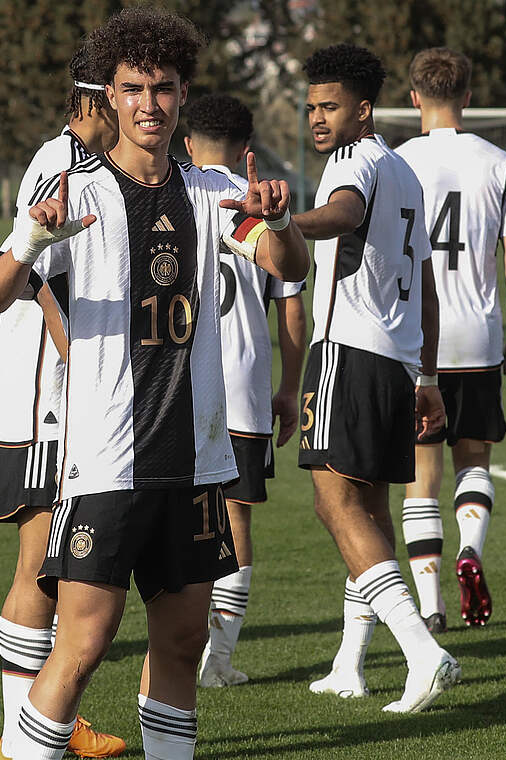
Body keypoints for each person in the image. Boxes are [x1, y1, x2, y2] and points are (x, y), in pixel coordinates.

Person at [0, 9, 308, 760]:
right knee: (85, 642)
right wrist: (32, 237)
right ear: (112, 96)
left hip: (196, 460)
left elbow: (291, 270)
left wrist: (277, 225)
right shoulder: (78, 192)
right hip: (106, 464)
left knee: (184, 642)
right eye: (133, 89)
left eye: (162, 88)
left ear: (184, 92)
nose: (149, 105)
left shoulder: (217, 192)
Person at [292, 43, 459, 714]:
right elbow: (425, 287)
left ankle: (423, 652)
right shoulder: (406, 171)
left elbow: (345, 213)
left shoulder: (353, 161)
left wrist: (274, 221)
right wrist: (427, 376)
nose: (317, 120)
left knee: (334, 506)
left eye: (329, 106)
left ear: (363, 109)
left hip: (347, 351)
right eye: (310, 108)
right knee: (368, 511)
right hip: (393, 360)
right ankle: (350, 663)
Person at [0, 44, 125, 759]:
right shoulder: (59, 161)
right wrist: (75, 353)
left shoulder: (90, 163)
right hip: (44, 388)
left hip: (64, 390)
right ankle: (23, 738)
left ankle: (50, 727)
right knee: (39, 566)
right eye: (125, 91)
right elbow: (29, 269)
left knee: (56, 565)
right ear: (95, 99)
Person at [393, 47, 506, 631]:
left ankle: (430, 606)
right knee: (473, 456)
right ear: (469, 97)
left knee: (421, 473)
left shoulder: (396, 163)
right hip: (477, 336)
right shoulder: (496, 161)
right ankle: (470, 548)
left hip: (415, 342)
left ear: (414, 98)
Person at [182, 94, 307, 688]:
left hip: (181, 388)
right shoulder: (260, 206)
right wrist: (290, 388)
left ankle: (173, 652)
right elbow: (292, 307)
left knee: (174, 522)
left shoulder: (175, 196)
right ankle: (219, 661)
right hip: (247, 385)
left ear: (186, 144)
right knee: (236, 522)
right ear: (246, 152)